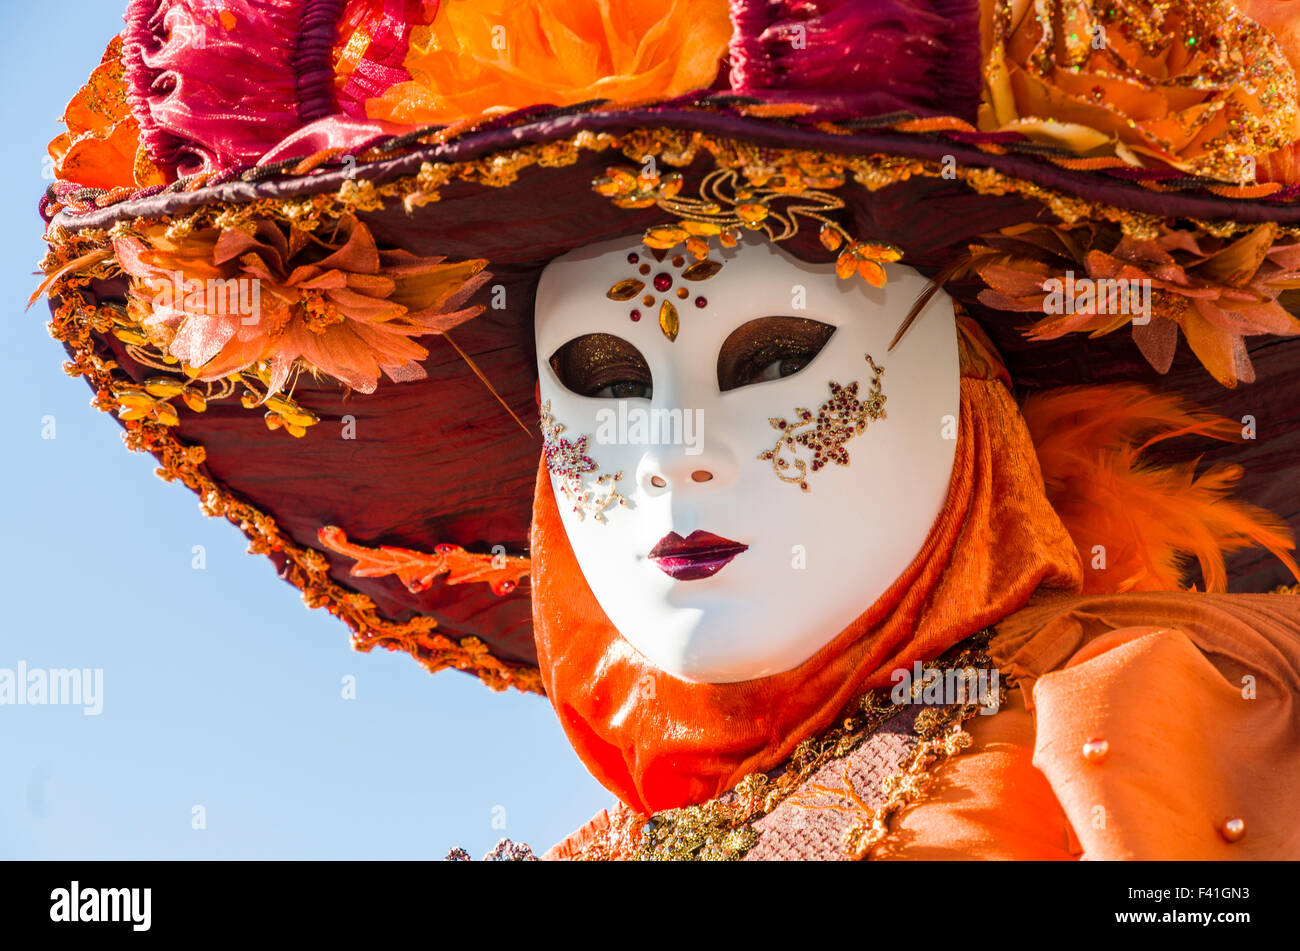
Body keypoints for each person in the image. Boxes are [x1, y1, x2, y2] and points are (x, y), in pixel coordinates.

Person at [36, 0, 1300, 860]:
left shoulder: (1154, 710)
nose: (678, 452)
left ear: (973, 400)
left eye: (773, 361)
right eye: (603, 380)